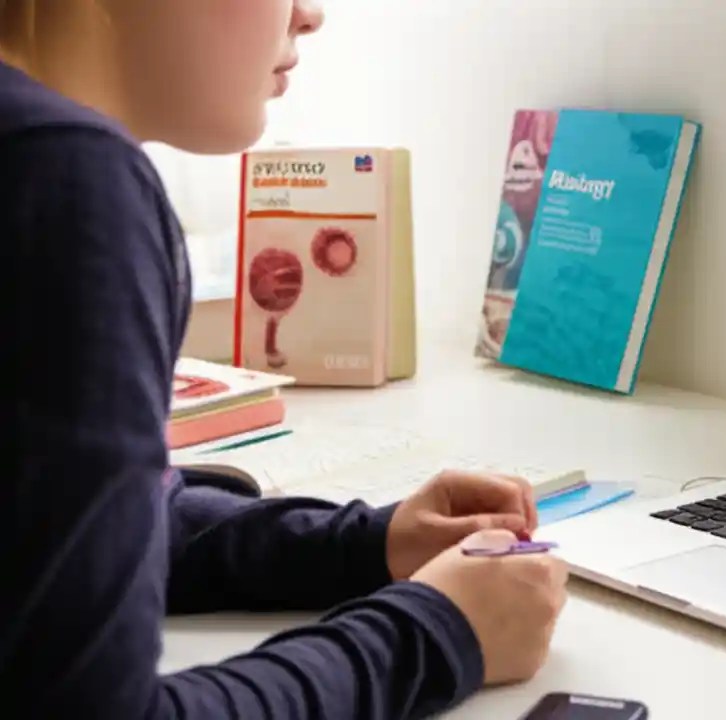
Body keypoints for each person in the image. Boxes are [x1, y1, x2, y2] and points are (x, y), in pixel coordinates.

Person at [0, 1, 569, 718]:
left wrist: (360, 547)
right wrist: (438, 634)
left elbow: (53, 532)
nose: (310, 14)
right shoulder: (62, 175)